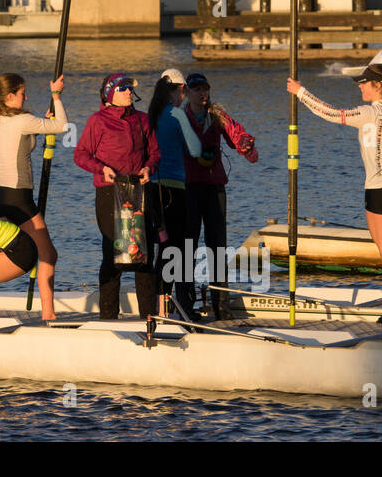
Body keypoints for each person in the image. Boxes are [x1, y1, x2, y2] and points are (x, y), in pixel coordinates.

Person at [286, 65, 382, 323]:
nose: (359, 86)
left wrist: (301, 92)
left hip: (380, 188)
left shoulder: (368, 113)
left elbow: (330, 113)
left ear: (378, 86)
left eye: (364, 82)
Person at [74, 72, 161, 319]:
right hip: (109, 191)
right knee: (114, 252)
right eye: (124, 89)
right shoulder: (97, 121)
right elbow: (80, 155)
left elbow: (155, 153)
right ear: (111, 93)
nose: (129, 93)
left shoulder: (142, 120)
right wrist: (102, 168)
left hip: (138, 190)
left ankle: (149, 318)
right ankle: (108, 317)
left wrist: (148, 168)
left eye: (131, 89)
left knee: (143, 255)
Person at [0, 71, 66, 320]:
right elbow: (63, 126)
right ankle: (49, 314)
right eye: (22, 93)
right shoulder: (23, 120)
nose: (26, 96)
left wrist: (41, 123)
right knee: (48, 254)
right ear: (10, 96)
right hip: (18, 198)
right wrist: (56, 95)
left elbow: (24, 142)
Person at [182, 72, 259, 319]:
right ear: (187, 93)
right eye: (197, 90)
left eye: (205, 89)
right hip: (188, 189)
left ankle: (221, 305)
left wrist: (246, 144)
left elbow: (237, 135)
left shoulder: (217, 115)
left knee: (217, 247)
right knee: (187, 247)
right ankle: (185, 303)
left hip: (214, 188)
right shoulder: (179, 117)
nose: (202, 94)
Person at [149, 68, 203, 320]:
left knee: (162, 247)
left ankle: (159, 308)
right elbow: (195, 149)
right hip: (175, 189)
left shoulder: (149, 115)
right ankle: (181, 309)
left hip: (151, 189)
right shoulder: (176, 114)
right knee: (177, 249)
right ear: (180, 90)